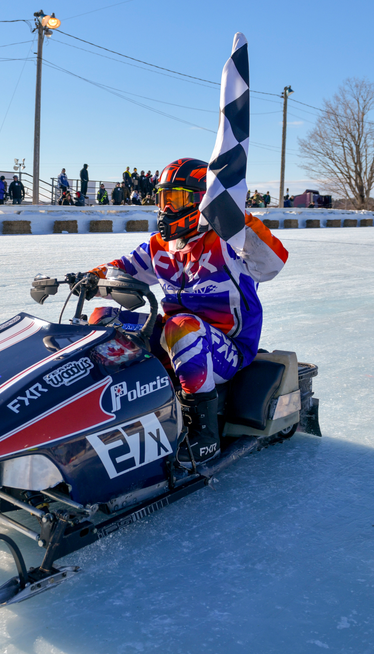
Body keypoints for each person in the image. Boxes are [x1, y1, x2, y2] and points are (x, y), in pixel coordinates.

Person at [87, 158, 288, 467]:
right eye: (163, 199)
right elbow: (121, 270)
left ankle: (204, 435)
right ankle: (104, 407)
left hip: (227, 347)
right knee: (103, 318)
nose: (167, 208)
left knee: (182, 327)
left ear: (201, 201)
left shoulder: (229, 242)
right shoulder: (159, 245)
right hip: (175, 334)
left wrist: (238, 221)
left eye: (177, 199)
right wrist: (89, 278)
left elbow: (271, 263)